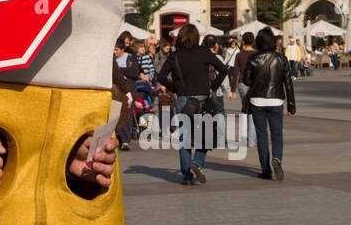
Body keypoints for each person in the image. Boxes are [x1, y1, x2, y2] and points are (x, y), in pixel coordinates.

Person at [156, 23, 229, 185]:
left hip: (183, 100)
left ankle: (187, 175)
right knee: (206, 135)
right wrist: (212, 87)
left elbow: (161, 76)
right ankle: (198, 162)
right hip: (203, 98)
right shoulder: (204, 52)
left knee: (184, 139)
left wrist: (175, 88)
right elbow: (223, 69)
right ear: (197, 37)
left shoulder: (175, 56)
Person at [242, 26, 295, 181]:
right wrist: (292, 106)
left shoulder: (253, 58)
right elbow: (288, 83)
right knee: (277, 134)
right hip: (276, 100)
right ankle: (277, 158)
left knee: (262, 135)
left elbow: (246, 80)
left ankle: (266, 170)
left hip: (257, 100)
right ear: (273, 41)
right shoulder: (281, 58)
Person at [111, 36, 140, 151]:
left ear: (122, 49)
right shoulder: (111, 58)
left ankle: (126, 140)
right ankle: (115, 137)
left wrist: (119, 70)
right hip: (115, 90)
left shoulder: (131, 58)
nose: (115, 52)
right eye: (114, 49)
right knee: (114, 115)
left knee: (126, 115)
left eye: (117, 50)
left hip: (128, 89)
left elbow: (134, 72)